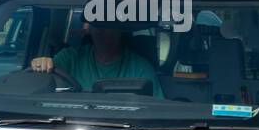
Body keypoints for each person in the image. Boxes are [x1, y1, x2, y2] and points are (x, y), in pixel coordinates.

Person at [30, 20, 164, 96]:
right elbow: (42, 82)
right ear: (89, 29)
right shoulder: (70, 57)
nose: (102, 30)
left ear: (120, 29)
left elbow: (157, 112)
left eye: (108, 25)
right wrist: (40, 64)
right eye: (97, 25)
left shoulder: (140, 68)